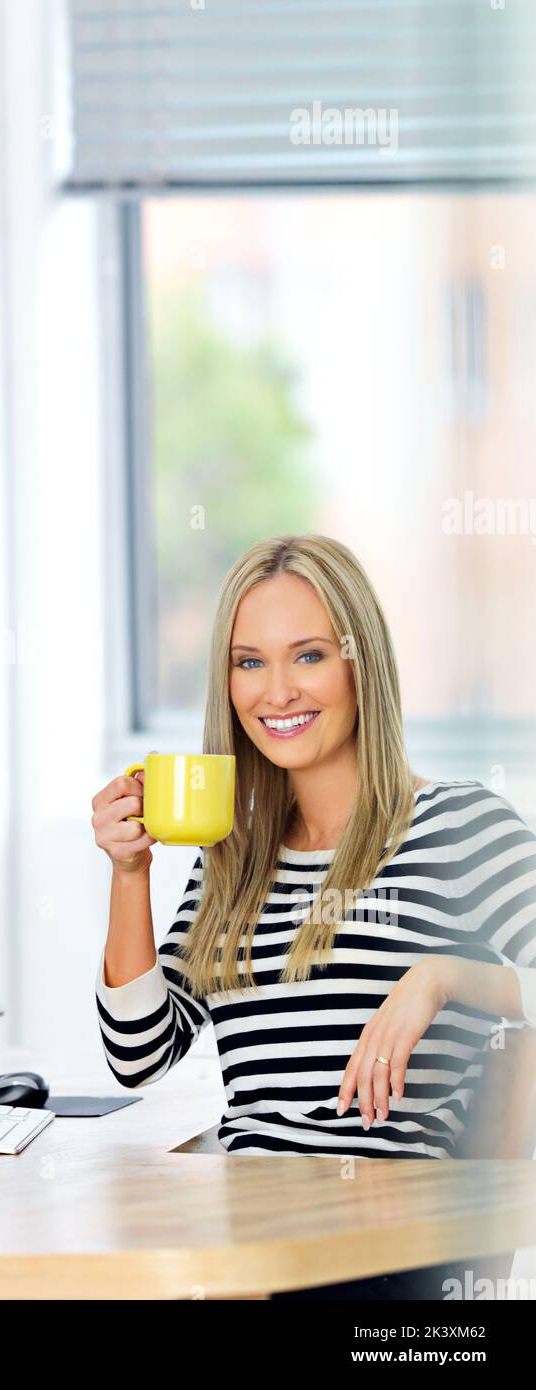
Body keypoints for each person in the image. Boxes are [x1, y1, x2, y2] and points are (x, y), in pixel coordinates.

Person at [91, 534, 536, 1299]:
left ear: (361, 665)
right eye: (249, 662)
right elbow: (139, 1054)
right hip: (246, 1231)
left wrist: (443, 977)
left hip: (376, 1247)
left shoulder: (459, 827)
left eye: (309, 656)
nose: (277, 693)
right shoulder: (235, 855)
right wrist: (130, 873)